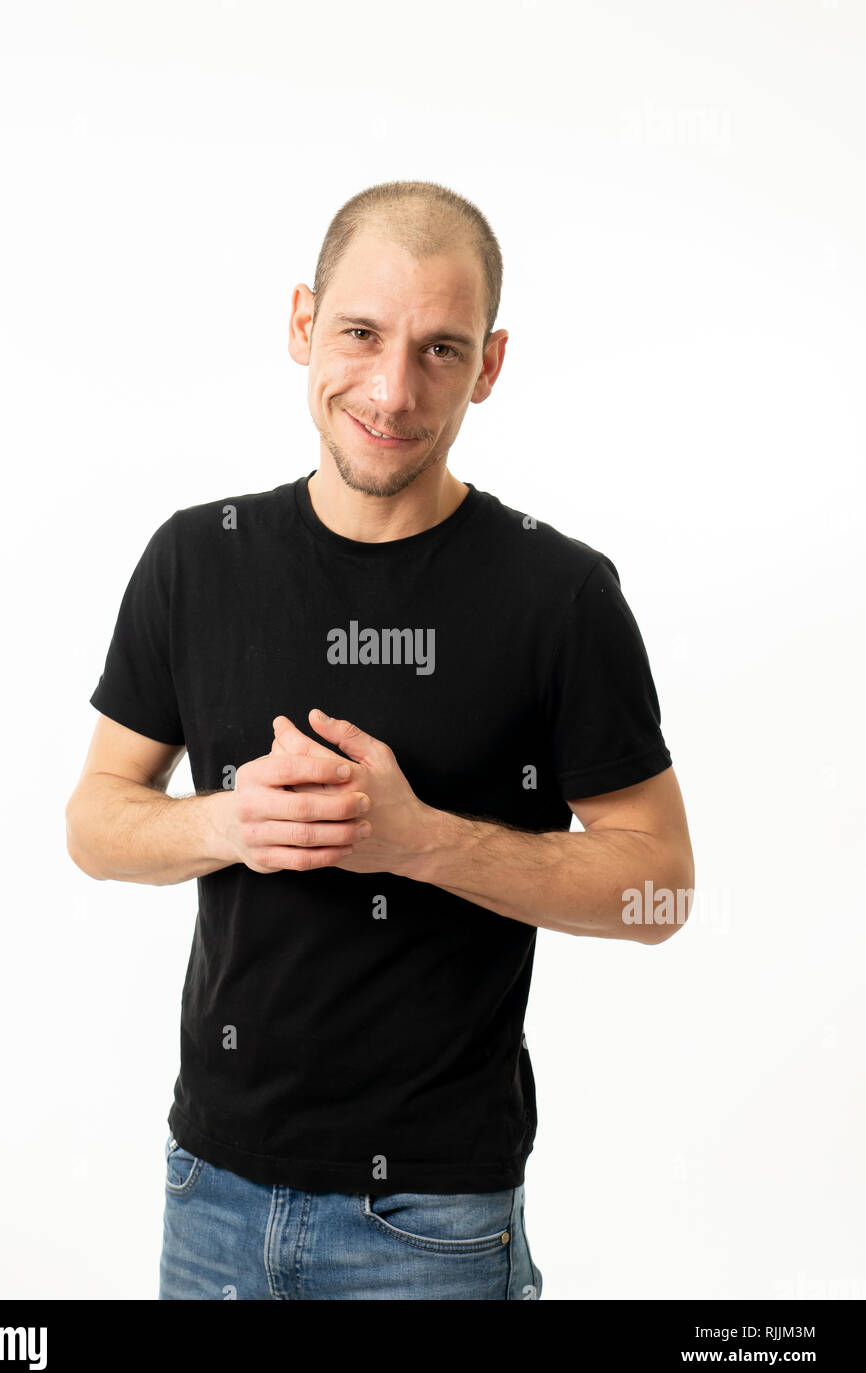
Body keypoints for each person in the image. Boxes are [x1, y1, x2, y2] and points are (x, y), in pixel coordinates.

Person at [65, 179, 694, 1301]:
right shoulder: (194, 560)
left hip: (432, 1226)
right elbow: (95, 824)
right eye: (360, 333)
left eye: (441, 351)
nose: (393, 391)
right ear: (303, 323)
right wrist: (229, 820)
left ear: (489, 367)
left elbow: (661, 890)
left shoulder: (558, 595)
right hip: (208, 1192)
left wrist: (418, 841)